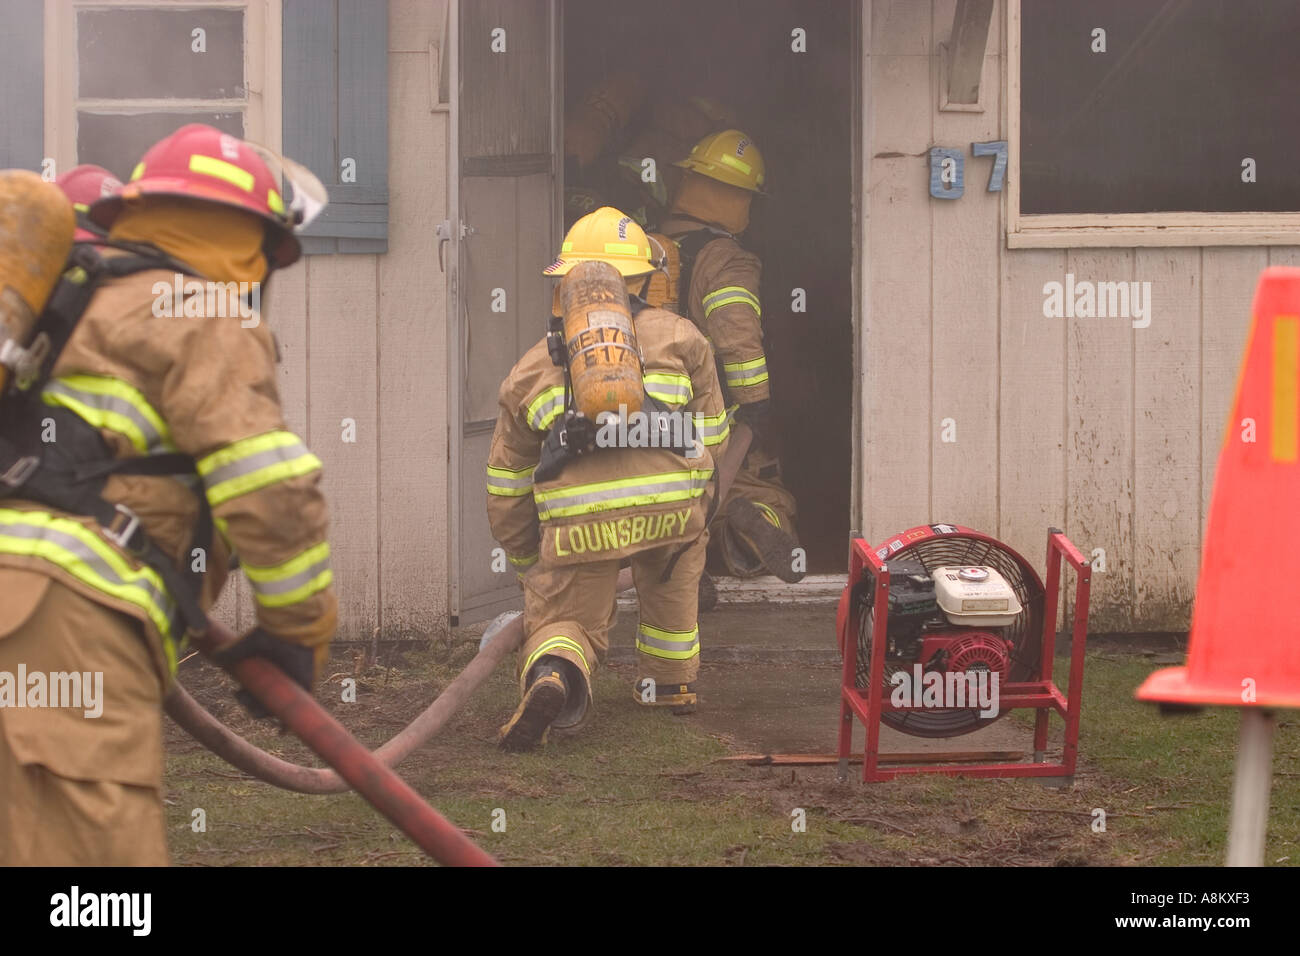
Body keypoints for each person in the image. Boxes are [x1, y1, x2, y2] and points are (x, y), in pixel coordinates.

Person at [0, 124, 336, 865]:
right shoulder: (205, 311)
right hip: (66, 624)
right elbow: (270, 488)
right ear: (249, 240)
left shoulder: (66, 306)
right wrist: (295, 634)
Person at [486, 206, 731, 751]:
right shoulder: (684, 339)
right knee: (674, 574)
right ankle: (671, 687)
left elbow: (506, 482)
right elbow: (713, 437)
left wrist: (531, 561)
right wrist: (695, 503)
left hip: (580, 521)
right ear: (646, 278)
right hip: (671, 508)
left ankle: (555, 673)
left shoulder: (531, 368)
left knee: (564, 614)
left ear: (564, 284)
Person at [658, 129, 803, 587]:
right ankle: (748, 525)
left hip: (646, 413)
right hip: (712, 414)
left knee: (658, 495)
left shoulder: (648, 250)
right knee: (754, 491)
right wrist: (755, 405)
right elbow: (738, 338)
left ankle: (669, 564)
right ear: (739, 201)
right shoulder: (726, 260)